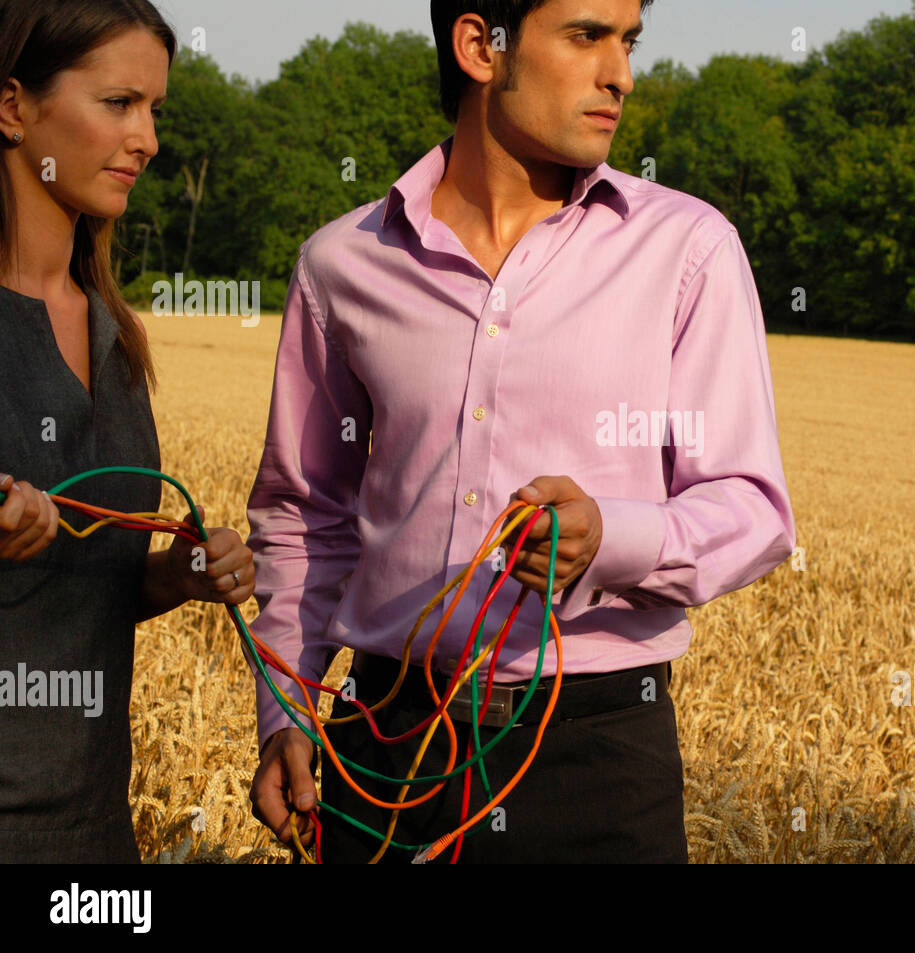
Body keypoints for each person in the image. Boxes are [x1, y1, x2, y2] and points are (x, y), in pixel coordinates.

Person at [246, 0, 795, 863]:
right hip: (379, 756)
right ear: (479, 47)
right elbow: (303, 516)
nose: (621, 73)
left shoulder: (688, 250)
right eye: (586, 36)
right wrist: (289, 710)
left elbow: (754, 510)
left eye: (629, 41)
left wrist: (611, 535)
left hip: (597, 759)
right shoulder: (342, 265)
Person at [0, 0, 255, 863]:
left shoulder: (113, 330)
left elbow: (89, 583)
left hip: (93, 827)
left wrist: (178, 572)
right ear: (12, 110)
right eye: (118, 104)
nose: (146, 139)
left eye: (156, 110)